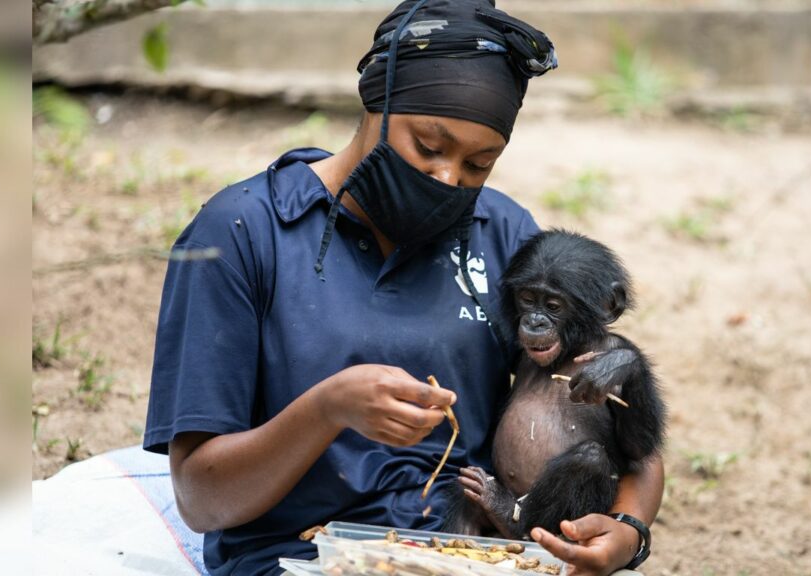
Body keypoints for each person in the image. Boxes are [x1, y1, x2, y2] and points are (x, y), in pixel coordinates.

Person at [143, 1, 664, 575]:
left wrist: (627, 530)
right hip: (301, 558)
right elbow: (202, 499)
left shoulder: (503, 238)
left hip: (476, 552)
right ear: (376, 100)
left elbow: (618, 425)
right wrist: (326, 409)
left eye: (478, 165)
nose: (448, 180)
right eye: (429, 146)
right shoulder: (244, 232)